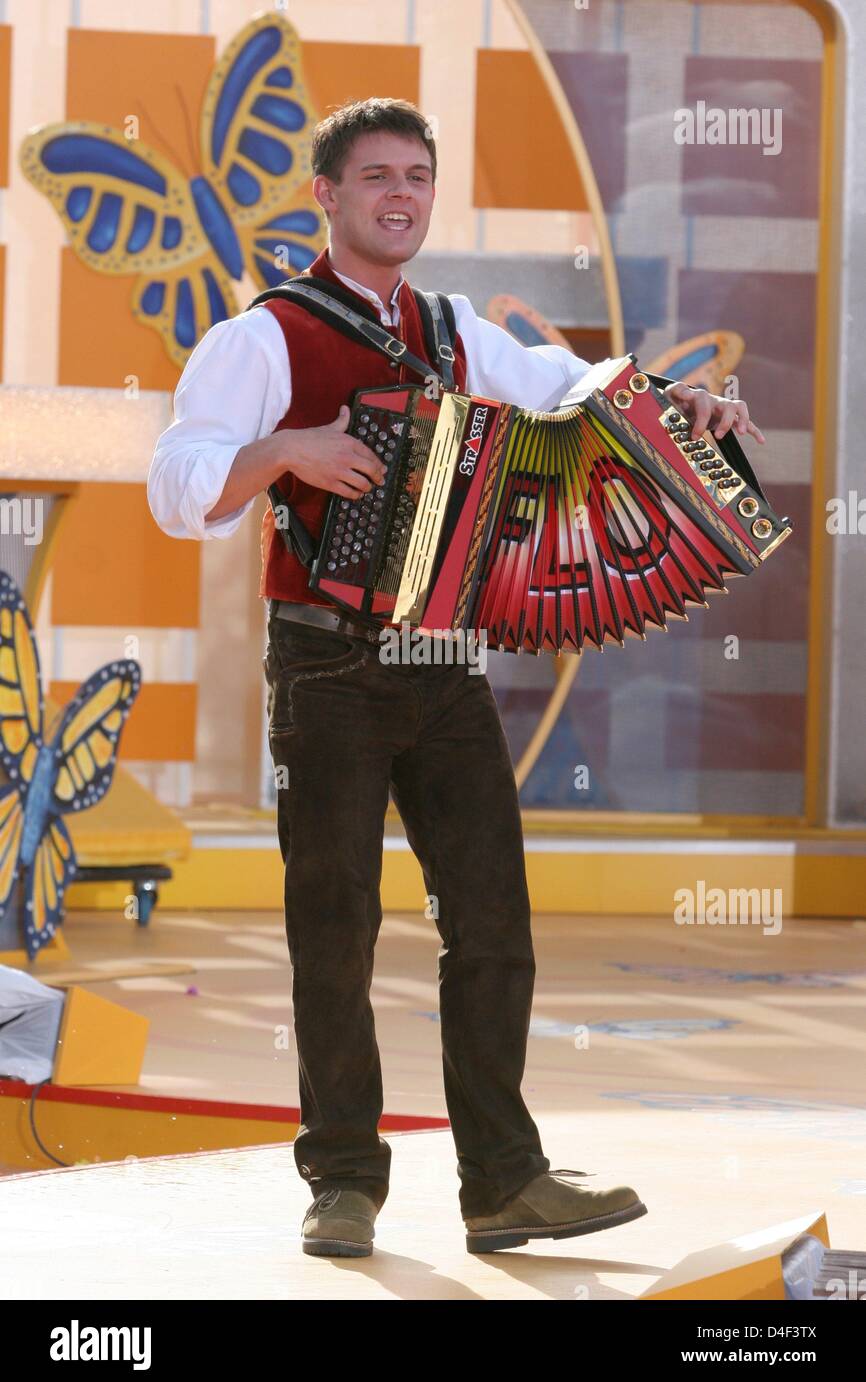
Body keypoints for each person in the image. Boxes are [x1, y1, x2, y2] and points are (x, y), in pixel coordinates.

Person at [148, 98, 765, 1258]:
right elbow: (176, 482)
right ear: (324, 197)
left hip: (445, 662)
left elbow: (569, 390)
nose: (399, 193)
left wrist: (671, 402)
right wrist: (282, 451)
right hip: (325, 662)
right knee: (330, 925)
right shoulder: (263, 336)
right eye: (375, 174)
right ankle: (341, 1181)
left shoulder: (455, 327)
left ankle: (503, 1180)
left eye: (418, 176)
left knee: (491, 923)